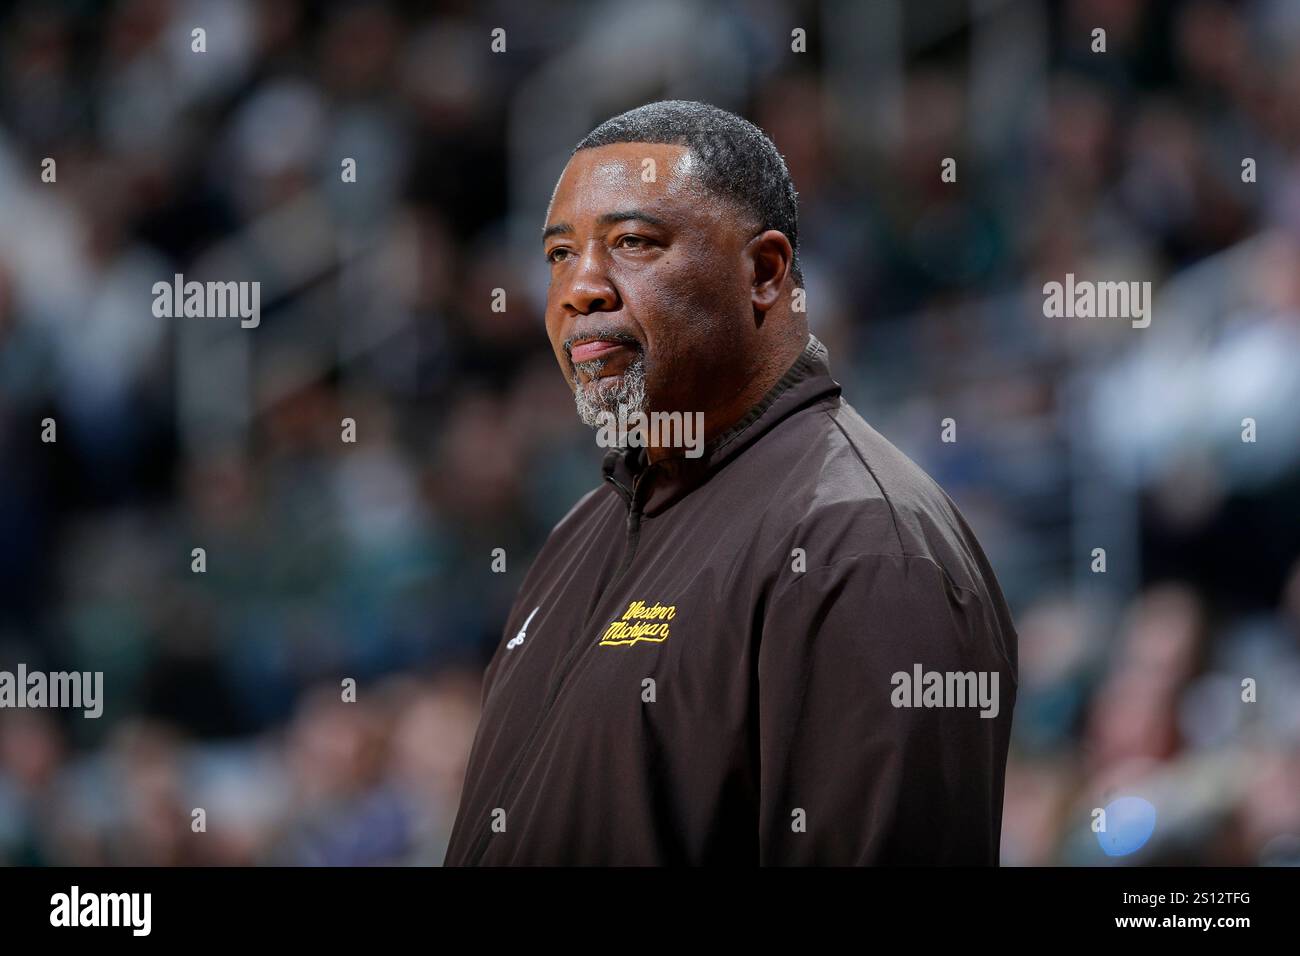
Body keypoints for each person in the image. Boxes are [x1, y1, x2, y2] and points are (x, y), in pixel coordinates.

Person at [444, 100, 1018, 865]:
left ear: (764, 272)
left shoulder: (865, 546)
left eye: (632, 242)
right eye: (558, 255)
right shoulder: (583, 529)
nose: (581, 289)